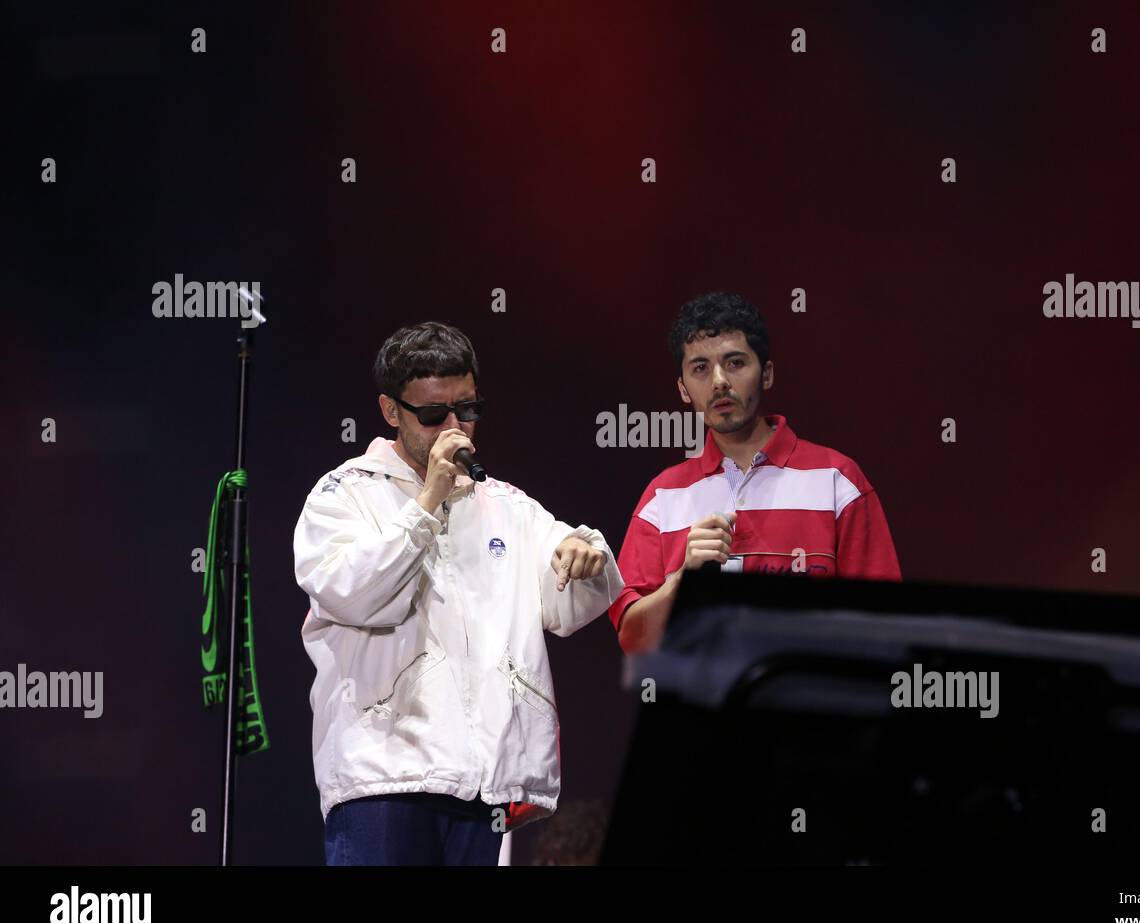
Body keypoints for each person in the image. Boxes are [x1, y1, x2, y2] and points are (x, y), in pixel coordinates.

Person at [293, 321, 623, 865]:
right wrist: (426, 503)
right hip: (383, 777)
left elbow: (568, 606)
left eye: (466, 410)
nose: (454, 429)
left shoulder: (507, 505)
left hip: (480, 782)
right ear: (390, 410)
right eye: (433, 415)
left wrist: (586, 556)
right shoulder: (342, 494)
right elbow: (354, 595)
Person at [611, 292, 901, 654]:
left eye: (734, 363)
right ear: (683, 389)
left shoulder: (837, 481)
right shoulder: (661, 497)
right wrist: (684, 582)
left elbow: (885, 626)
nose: (719, 381)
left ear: (766, 373)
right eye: (700, 368)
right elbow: (633, 640)